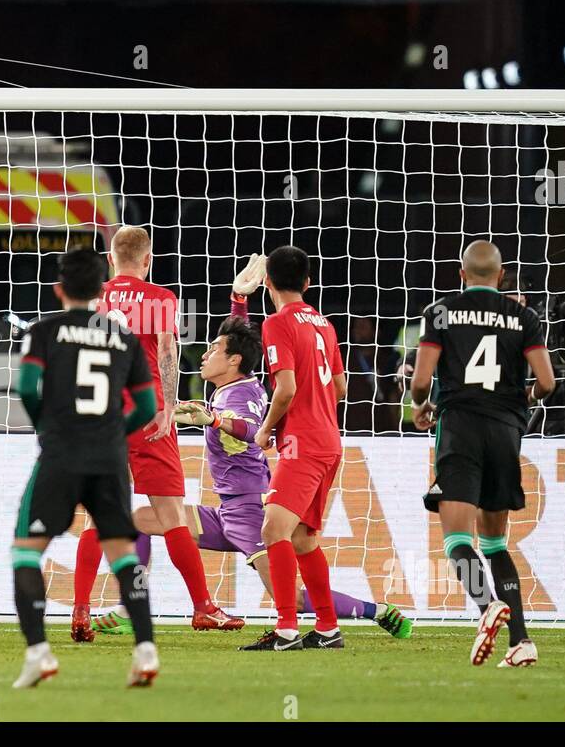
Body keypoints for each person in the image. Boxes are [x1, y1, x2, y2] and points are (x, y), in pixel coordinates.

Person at [129, 255, 410, 641]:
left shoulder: (238, 396)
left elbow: (246, 429)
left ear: (233, 361)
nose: (206, 354)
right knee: (142, 520)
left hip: (249, 512)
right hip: (227, 508)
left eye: (213, 349)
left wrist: (215, 421)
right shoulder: (240, 382)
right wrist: (238, 299)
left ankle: (374, 610)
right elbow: (242, 342)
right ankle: (134, 604)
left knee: (291, 596)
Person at [70, 226, 243, 641]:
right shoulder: (160, 298)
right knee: (171, 514)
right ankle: (203, 607)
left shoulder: (93, 297)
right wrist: (168, 406)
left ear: (111, 259)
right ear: (147, 260)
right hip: (146, 414)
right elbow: (166, 349)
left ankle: (80, 610)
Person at [10, 248, 159, 688]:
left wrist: (49, 429)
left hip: (62, 454)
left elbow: (27, 389)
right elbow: (148, 405)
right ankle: (146, 650)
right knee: (123, 553)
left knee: (25, 549)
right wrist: (115, 432)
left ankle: (38, 653)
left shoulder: (45, 331)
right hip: (110, 459)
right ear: (102, 289)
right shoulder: (124, 338)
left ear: (59, 288)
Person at [410, 240, 555, 667]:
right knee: (494, 542)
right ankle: (522, 641)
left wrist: (423, 404)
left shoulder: (440, 312)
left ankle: (486, 604)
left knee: (457, 539)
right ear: (500, 274)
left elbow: (421, 381)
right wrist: (523, 395)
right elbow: (547, 383)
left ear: (461, 274)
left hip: (460, 427)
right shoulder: (524, 317)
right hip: (506, 430)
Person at [240, 245, 348, 651]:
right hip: (329, 440)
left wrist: (267, 429)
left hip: (302, 443)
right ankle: (327, 628)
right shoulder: (324, 324)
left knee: (272, 529)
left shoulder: (277, 323)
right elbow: (339, 387)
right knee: (302, 538)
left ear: (267, 282)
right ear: (307, 282)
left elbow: (285, 388)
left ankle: (285, 629)